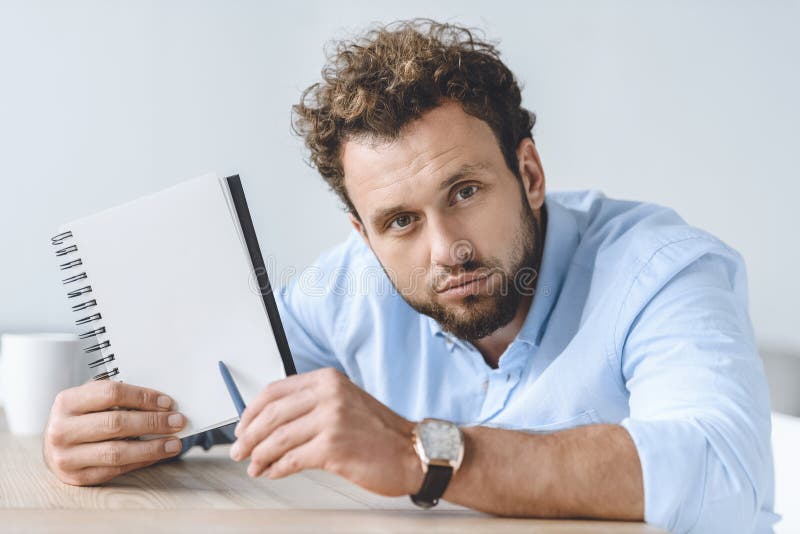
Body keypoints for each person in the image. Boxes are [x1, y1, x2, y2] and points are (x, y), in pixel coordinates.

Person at [42, 19, 776, 533]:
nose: (444, 249)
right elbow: (221, 407)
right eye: (400, 221)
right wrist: (108, 434)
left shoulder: (662, 270)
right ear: (364, 236)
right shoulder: (345, 292)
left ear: (528, 171)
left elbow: (723, 477)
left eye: (464, 193)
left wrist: (415, 451)